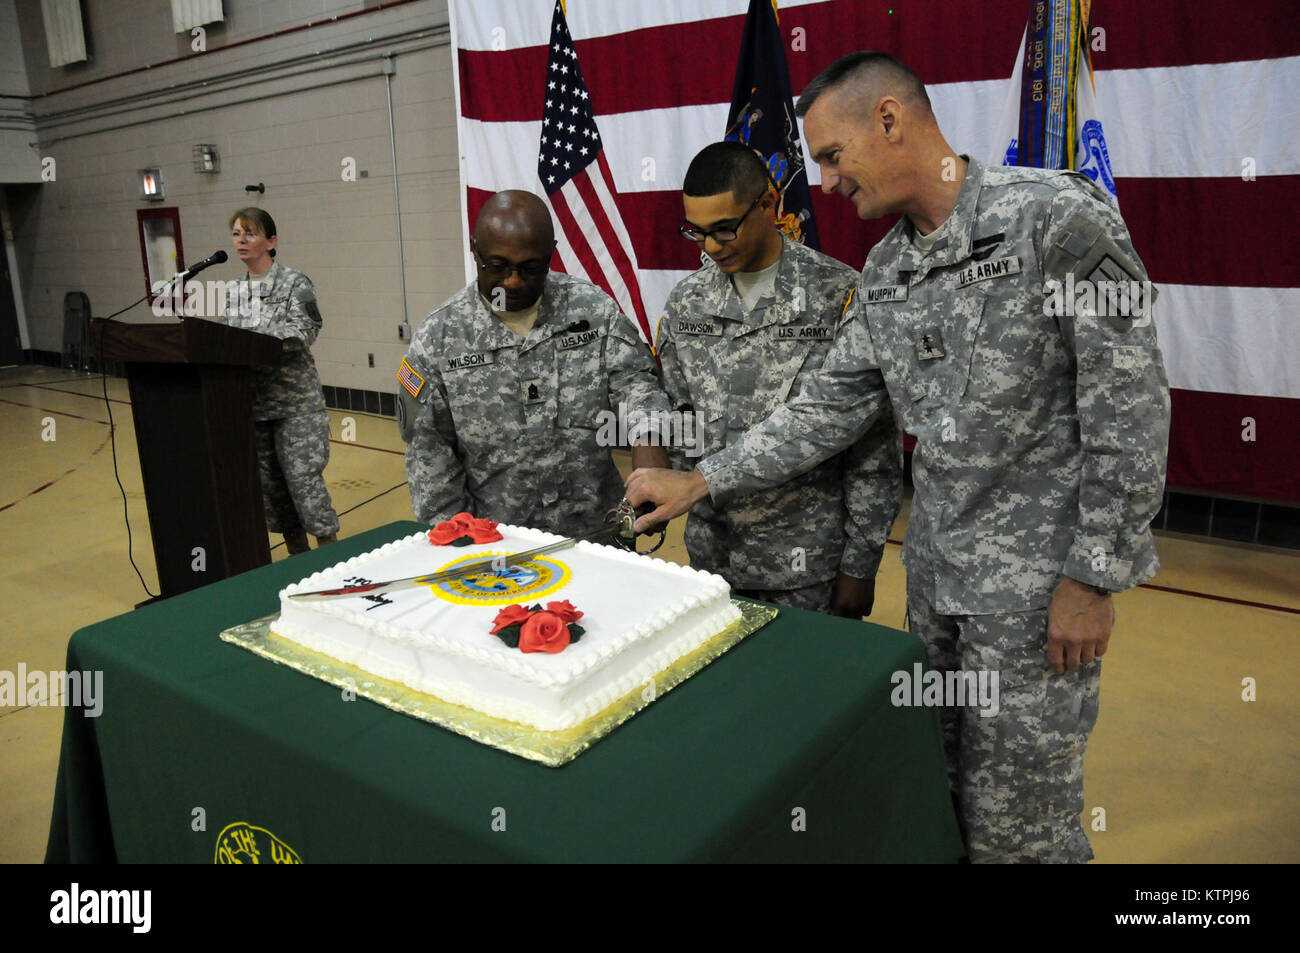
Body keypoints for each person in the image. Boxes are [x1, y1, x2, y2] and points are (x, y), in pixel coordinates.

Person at [626, 52, 1171, 863]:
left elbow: (1128, 403)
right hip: (938, 591)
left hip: (1034, 600)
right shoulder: (886, 272)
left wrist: (1094, 576)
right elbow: (826, 408)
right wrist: (703, 477)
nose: (831, 182)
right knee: (940, 801)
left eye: (832, 157)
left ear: (889, 119)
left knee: (1022, 831)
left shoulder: (1053, 219)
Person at [658, 141, 902, 615]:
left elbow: (873, 451)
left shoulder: (840, 295)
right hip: (712, 561)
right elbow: (679, 418)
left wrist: (860, 564)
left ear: (768, 204)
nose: (711, 247)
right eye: (698, 232)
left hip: (808, 569)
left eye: (724, 230)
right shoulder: (686, 304)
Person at [399, 190, 671, 535]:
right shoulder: (438, 337)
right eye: (497, 266)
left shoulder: (591, 311)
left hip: (597, 536)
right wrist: (457, 539)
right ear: (474, 250)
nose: (513, 281)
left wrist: (649, 443)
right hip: (497, 544)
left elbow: (636, 384)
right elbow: (430, 455)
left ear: (550, 255)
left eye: (530, 268)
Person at [222, 208, 339, 555]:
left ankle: (332, 555)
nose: (242, 240)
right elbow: (222, 338)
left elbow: (306, 330)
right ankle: (297, 558)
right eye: (237, 234)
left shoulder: (294, 283)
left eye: (251, 233)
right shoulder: (232, 291)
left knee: (304, 483)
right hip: (256, 406)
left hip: (296, 404)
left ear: (271, 242)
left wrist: (253, 340)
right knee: (273, 490)